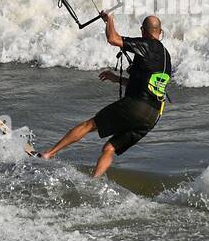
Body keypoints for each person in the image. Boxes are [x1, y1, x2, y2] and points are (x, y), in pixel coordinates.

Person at [40, 13, 172, 177]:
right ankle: (93, 181)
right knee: (109, 148)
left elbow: (113, 39)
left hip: (136, 106)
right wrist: (117, 79)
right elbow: (145, 84)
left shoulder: (148, 44)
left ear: (143, 31)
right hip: (152, 117)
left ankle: (48, 154)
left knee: (89, 125)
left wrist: (109, 19)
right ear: (160, 31)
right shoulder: (167, 57)